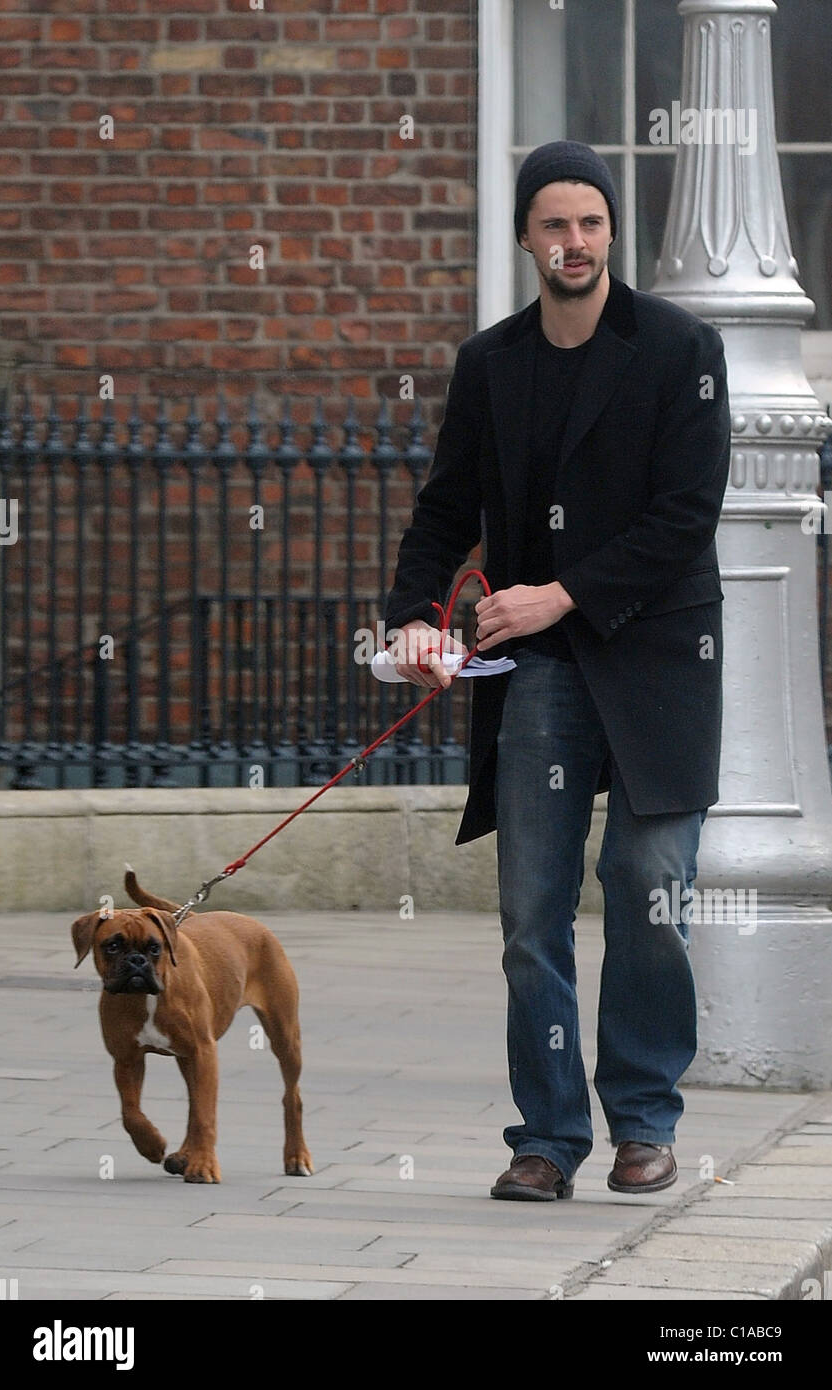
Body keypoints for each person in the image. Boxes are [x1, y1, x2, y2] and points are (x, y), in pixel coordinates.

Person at [383, 140, 732, 1201]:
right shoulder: (492, 363)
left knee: (648, 886)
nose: (572, 242)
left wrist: (559, 594)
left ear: (612, 230)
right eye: (552, 225)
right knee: (532, 909)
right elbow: (448, 505)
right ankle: (546, 1134)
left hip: (661, 657)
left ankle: (643, 1118)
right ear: (526, 237)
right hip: (538, 669)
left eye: (589, 222)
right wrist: (407, 616)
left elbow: (685, 516)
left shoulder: (682, 347)